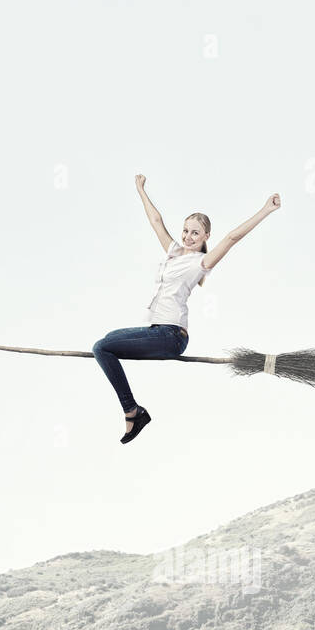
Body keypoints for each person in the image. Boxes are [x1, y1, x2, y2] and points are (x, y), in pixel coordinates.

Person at [93, 173, 280, 444]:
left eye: (195, 232)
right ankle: (133, 410)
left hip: (171, 336)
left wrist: (265, 210)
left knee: (102, 347)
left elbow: (232, 238)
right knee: (106, 343)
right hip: (157, 331)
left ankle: (132, 411)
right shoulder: (172, 251)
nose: (188, 236)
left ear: (205, 236)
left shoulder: (201, 262)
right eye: (186, 230)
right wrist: (140, 189)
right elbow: (156, 220)